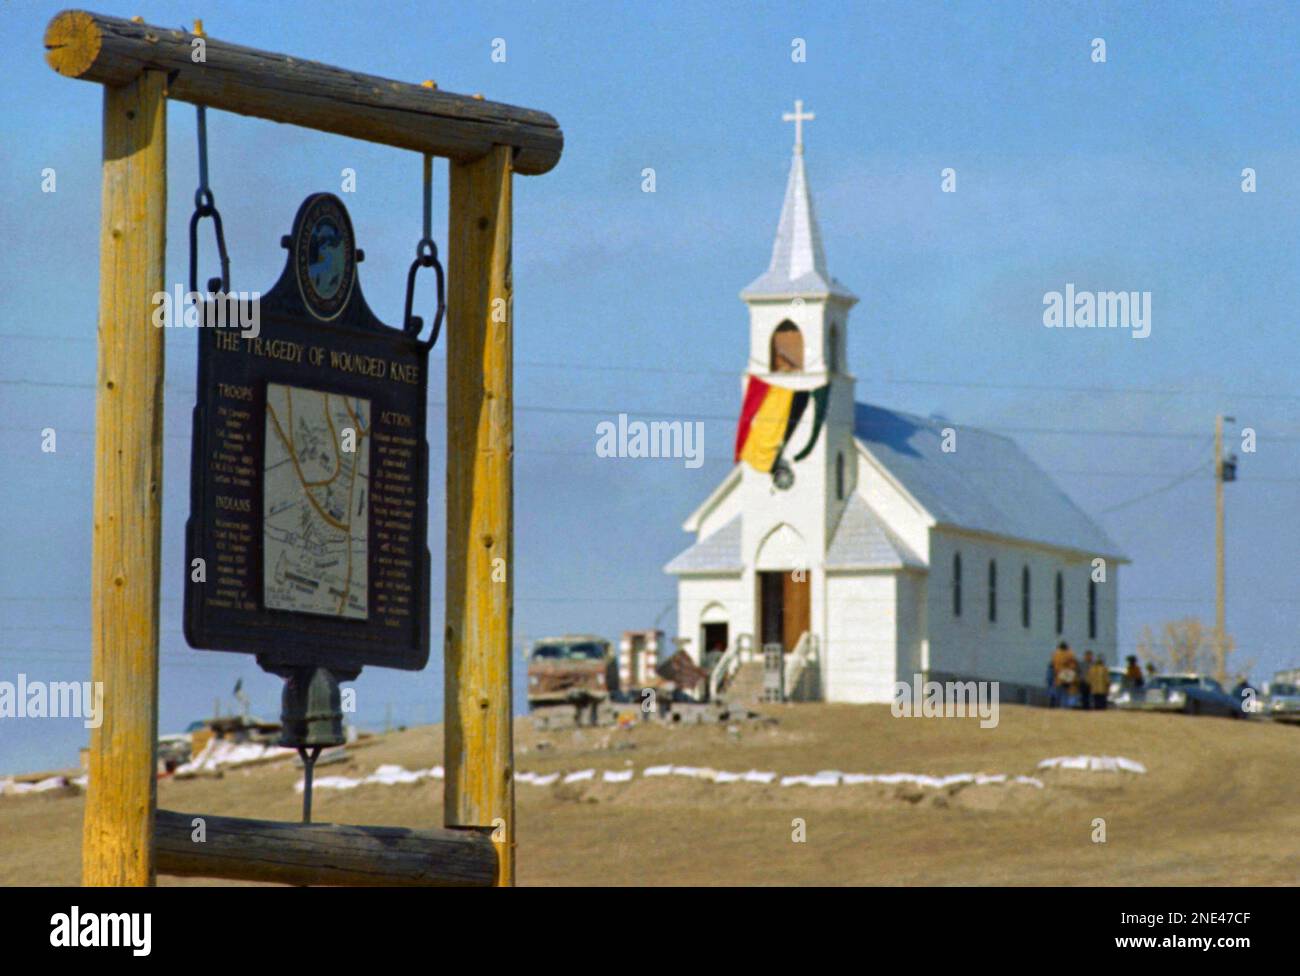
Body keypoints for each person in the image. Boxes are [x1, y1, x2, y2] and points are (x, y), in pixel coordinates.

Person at [1052, 640, 1078, 708]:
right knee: (1067, 692)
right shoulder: (1070, 653)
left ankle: (1060, 705)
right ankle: (1065, 706)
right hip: (1066, 674)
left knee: (1059, 691)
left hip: (1058, 674)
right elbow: (1073, 665)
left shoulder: (1056, 654)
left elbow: (1054, 665)